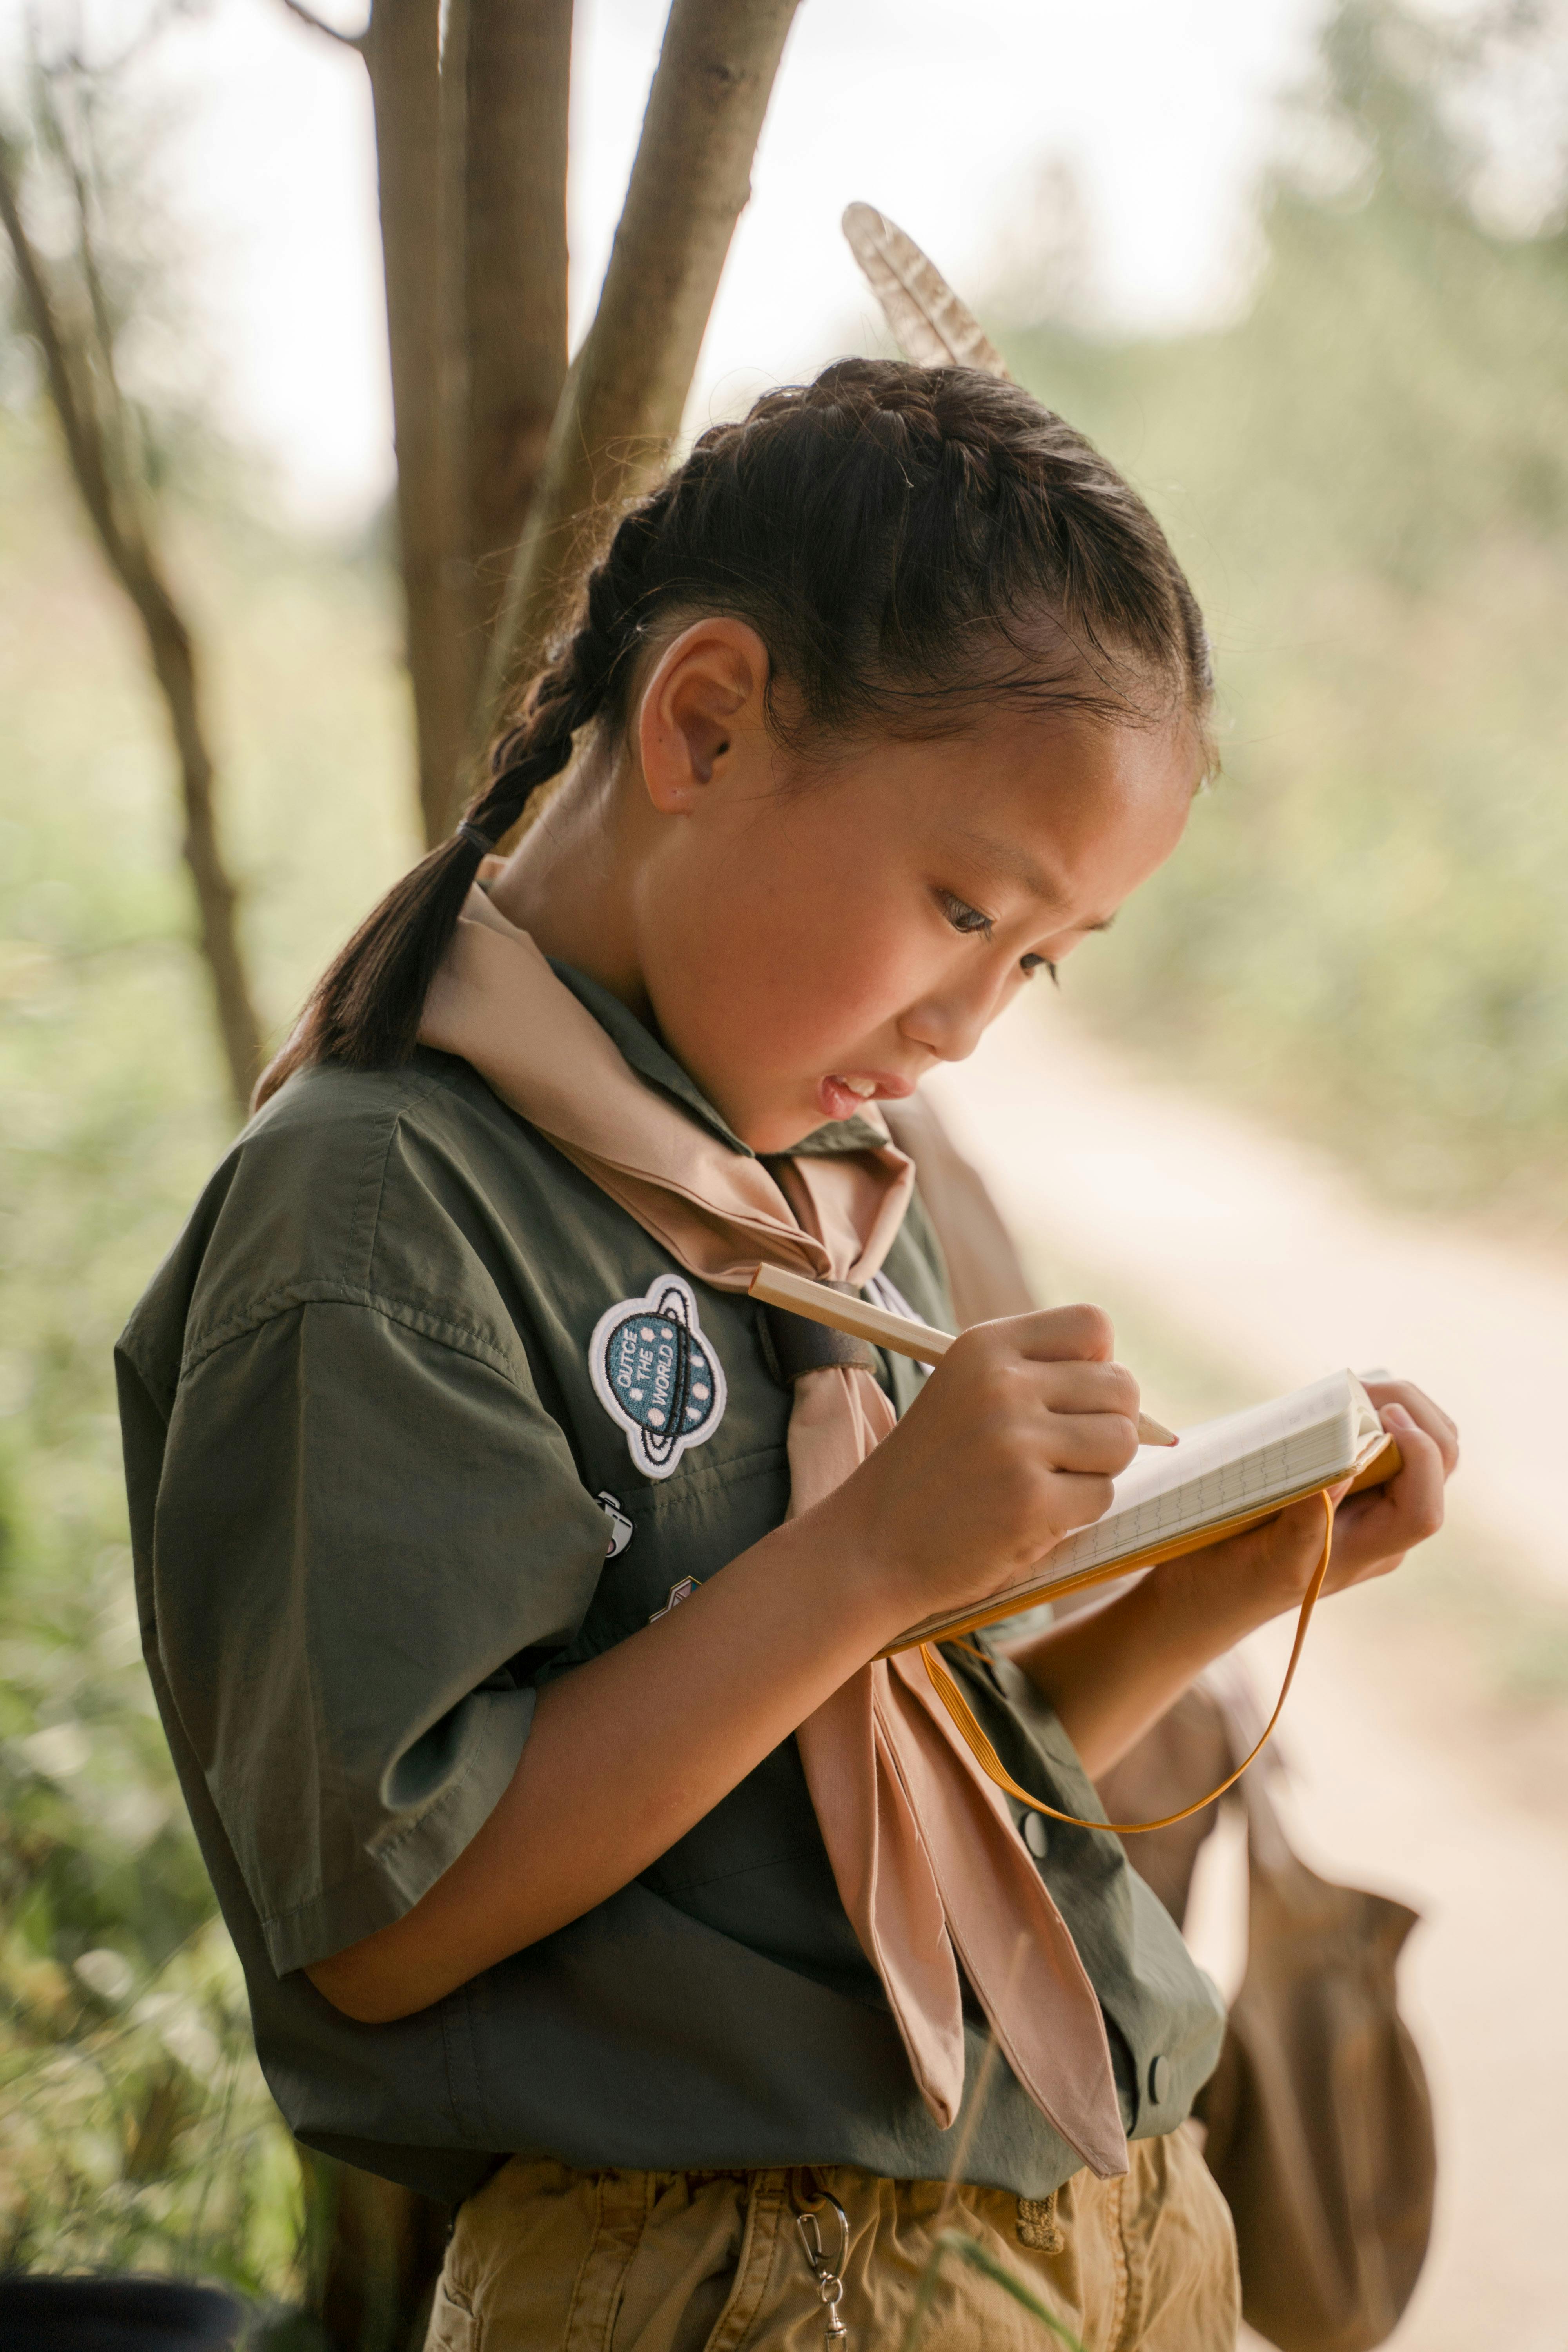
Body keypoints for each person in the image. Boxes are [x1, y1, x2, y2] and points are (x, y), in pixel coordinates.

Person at [116, 361, 1457, 2352]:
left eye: (1038, 961)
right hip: (738, 2286)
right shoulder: (381, 1217)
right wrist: (859, 1562)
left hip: (1081, 2245)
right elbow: (387, 1921)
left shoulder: (813, 1194)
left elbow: (891, 1792)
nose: (968, 1024)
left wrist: (1220, 1580)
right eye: (959, 906)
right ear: (705, 721)